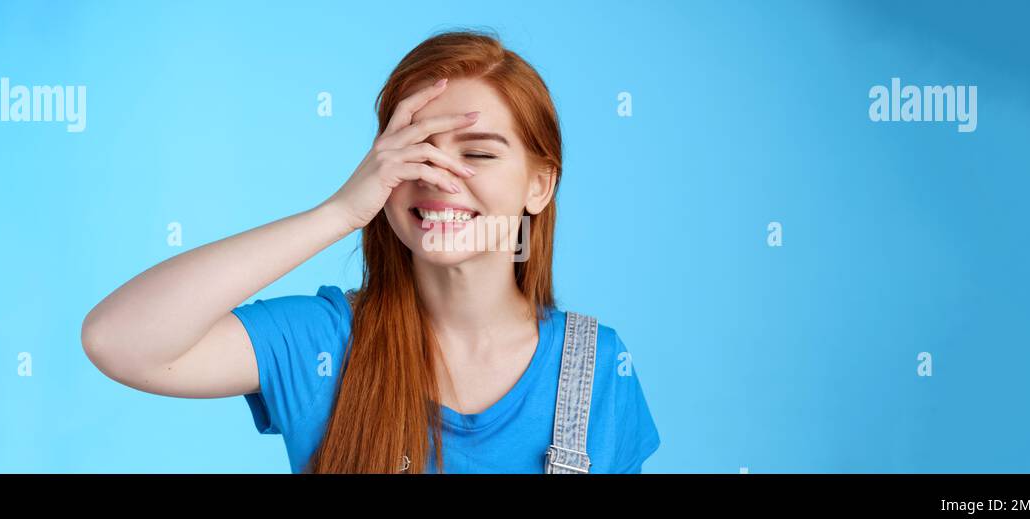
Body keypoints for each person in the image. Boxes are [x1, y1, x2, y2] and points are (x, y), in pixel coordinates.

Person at [81, 29, 659, 473]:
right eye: (415, 151)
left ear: (540, 185)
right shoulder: (325, 342)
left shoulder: (599, 369)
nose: (439, 176)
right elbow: (118, 340)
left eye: (478, 154)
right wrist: (338, 213)